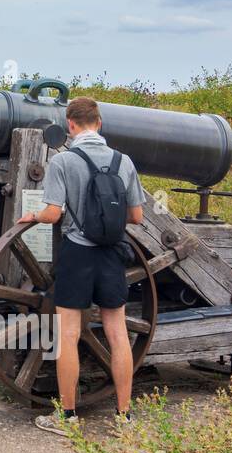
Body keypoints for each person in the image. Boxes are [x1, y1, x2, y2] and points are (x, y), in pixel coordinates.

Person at [17, 96, 146, 435]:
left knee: (69, 335)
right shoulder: (124, 161)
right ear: (99, 123)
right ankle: (124, 418)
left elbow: (54, 213)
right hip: (112, 253)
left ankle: (68, 418)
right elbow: (136, 216)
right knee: (118, 334)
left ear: (71, 125)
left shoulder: (63, 161)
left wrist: (34, 215)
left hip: (77, 252)